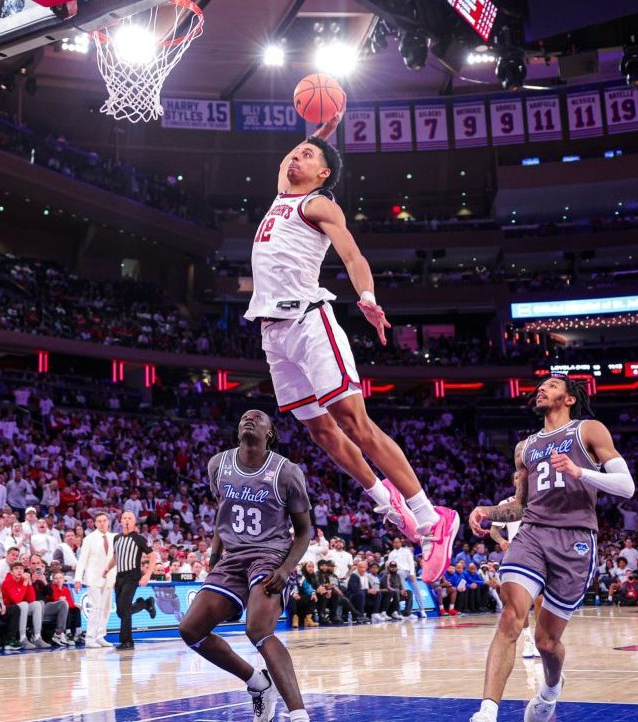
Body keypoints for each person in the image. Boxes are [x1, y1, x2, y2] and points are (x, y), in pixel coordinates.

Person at [247, 117, 458, 581]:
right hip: (273, 333)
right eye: (296, 153)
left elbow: (352, 254)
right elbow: (296, 152)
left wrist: (367, 297)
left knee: (353, 422)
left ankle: (431, 517)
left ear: (323, 174)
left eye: (308, 155)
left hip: (309, 320)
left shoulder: (318, 204)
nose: (296, 157)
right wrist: (323, 126)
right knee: (320, 432)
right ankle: (390, 506)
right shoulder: (281, 194)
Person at [468, 375, 634, 722]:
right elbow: (520, 507)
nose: (542, 388)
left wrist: (581, 472)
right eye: (540, 385)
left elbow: (626, 486)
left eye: (552, 385)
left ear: (570, 398)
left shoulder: (589, 430)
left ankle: (551, 689)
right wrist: (488, 511)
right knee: (511, 617)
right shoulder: (524, 447)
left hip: (574, 539)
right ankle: (486, 712)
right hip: (532, 534)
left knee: (546, 641)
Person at [178, 409, 314, 722]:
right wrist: (215, 556)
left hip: (269, 555)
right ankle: (257, 683)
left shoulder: (286, 472)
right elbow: (221, 514)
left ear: (270, 432)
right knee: (190, 629)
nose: (248, 419)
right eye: (243, 417)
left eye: (257, 417)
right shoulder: (218, 464)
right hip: (232, 557)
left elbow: (305, 532)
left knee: (258, 629)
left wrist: (285, 569)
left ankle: (298, 715)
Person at [487, 492, 541, 659]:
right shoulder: (507, 503)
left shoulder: (539, 498)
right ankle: (528, 639)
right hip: (516, 555)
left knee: (540, 600)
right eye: (516, 477)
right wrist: (502, 541)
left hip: (538, 553)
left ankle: (539, 640)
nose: (519, 479)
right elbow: (493, 531)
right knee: (518, 603)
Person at [101, 510, 157, 650]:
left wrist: (147, 575)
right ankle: (145, 604)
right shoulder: (117, 538)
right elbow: (115, 557)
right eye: (124, 518)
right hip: (119, 577)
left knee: (124, 610)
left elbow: (153, 557)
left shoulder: (139, 539)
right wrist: (107, 569)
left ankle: (127, 641)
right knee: (121, 612)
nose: (126, 520)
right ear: (120, 521)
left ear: (134, 522)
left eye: (129, 518)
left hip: (132, 576)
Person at [74, 512, 116, 648]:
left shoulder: (114, 537)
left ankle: (100, 636)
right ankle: (90, 638)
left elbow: (116, 559)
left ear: (108, 522)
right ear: (95, 523)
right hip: (93, 578)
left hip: (109, 579)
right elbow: (82, 560)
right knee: (95, 608)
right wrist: (78, 578)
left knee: (106, 608)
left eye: (104, 520)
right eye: (99, 521)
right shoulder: (89, 539)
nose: (102, 523)